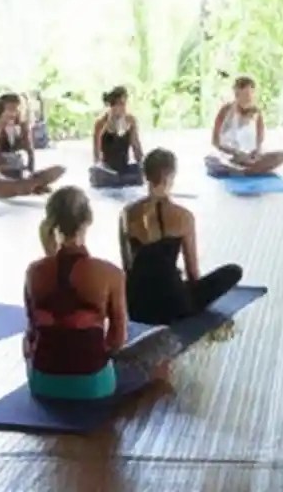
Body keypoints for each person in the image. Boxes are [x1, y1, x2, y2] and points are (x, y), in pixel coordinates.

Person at [24, 187, 184, 400]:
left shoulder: (34, 272)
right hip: (94, 386)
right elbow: (117, 339)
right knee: (165, 337)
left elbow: (31, 336)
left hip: (42, 383)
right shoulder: (109, 273)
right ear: (87, 220)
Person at [122, 149, 242, 324]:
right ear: (171, 177)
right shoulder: (184, 216)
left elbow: (127, 267)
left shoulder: (126, 214)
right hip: (175, 306)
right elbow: (193, 273)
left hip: (136, 307)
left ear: (145, 174)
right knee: (234, 271)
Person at [0, 93, 66, 199]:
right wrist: (0, 128)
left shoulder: (23, 128)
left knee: (59, 169)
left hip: (20, 171)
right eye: (9, 110)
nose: (13, 114)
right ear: (0, 111)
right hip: (2, 172)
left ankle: (29, 185)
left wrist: (30, 170)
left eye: (16, 110)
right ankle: (21, 187)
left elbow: (29, 151)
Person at [204, 77, 283, 177]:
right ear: (237, 94)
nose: (249, 98)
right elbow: (215, 141)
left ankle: (247, 170)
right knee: (212, 160)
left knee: (281, 156)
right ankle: (246, 170)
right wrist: (234, 153)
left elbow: (259, 142)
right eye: (245, 94)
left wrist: (256, 153)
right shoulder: (225, 110)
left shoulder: (257, 113)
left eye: (251, 94)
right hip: (228, 156)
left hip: (249, 158)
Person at [89, 86, 145, 189]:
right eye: (120, 104)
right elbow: (96, 155)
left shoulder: (130, 121)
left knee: (141, 170)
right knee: (98, 172)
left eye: (124, 104)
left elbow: (136, 148)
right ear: (112, 106)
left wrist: (144, 166)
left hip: (124, 168)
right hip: (107, 170)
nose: (123, 108)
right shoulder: (101, 123)